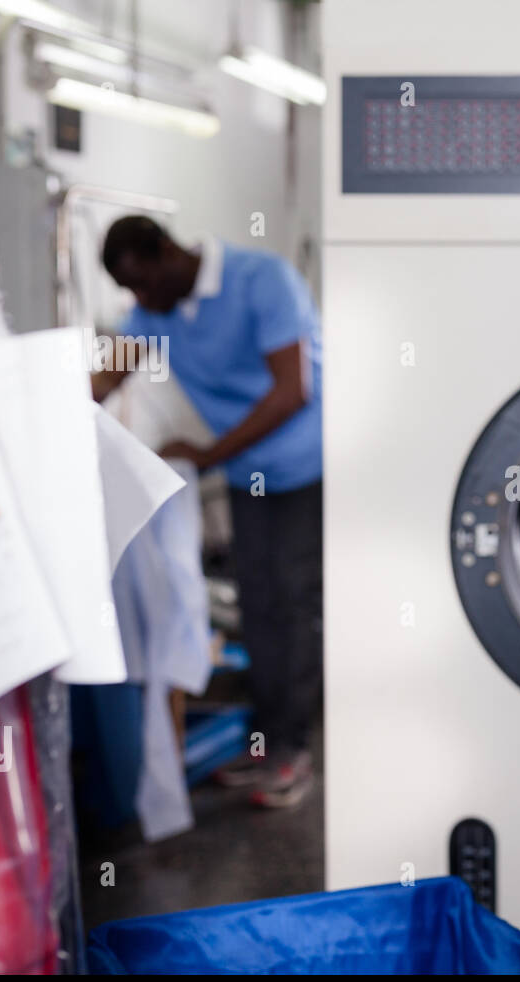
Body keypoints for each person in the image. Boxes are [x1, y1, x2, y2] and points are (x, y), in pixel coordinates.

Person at [94, 215, 323, 810]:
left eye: (144, 285)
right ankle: (269, 741)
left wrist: (206, 453)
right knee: (259, 605)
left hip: (306, 466)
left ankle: (294, 752)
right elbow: (105, 376)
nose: (140, 301)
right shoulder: (156, 310)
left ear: (169, 253)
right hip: (249, 472)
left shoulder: (260, 279)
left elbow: (291, 391)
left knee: (293, 608)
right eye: (132, 293)